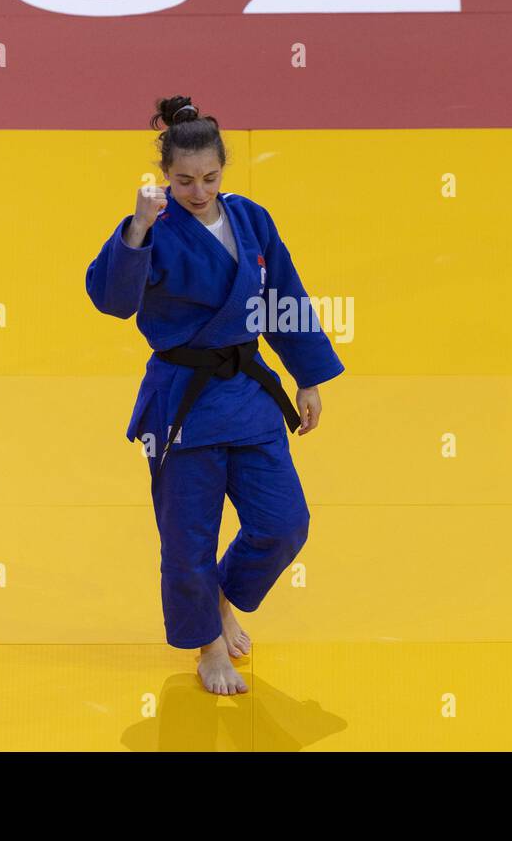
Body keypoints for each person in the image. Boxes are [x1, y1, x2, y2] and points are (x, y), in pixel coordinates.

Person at [85, 95, 345, 696]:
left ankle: (221, 599)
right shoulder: (152, 228)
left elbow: (283, 295)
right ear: (163, 177)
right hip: (182, 403)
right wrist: (138, 227)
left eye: (209, 178)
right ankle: (206, 647)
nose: (198, 191)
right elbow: (114, 301)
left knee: (283, 525)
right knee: (188, 538)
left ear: (224, 169)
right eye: (183, 181)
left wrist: (306, 376)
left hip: (248, 395)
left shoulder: (252, 219)